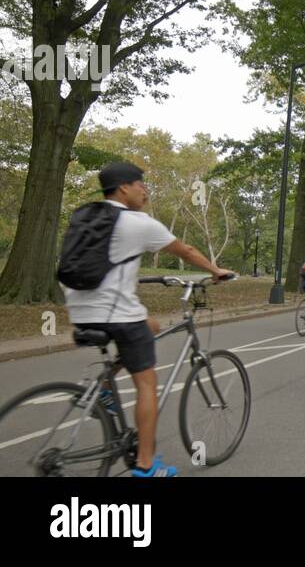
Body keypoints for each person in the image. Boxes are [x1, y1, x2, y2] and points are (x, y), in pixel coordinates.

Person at [63, 162, 234, 478]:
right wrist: (216, 271)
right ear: (123, 188)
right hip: (116, 315)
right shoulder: (137, 223)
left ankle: (103, 386)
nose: (145, 190)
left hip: (81, 311)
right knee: (147, 385)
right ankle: (146, 465)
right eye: (140, 184)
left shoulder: (86, 216)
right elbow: (186, 250)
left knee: (152, 326)